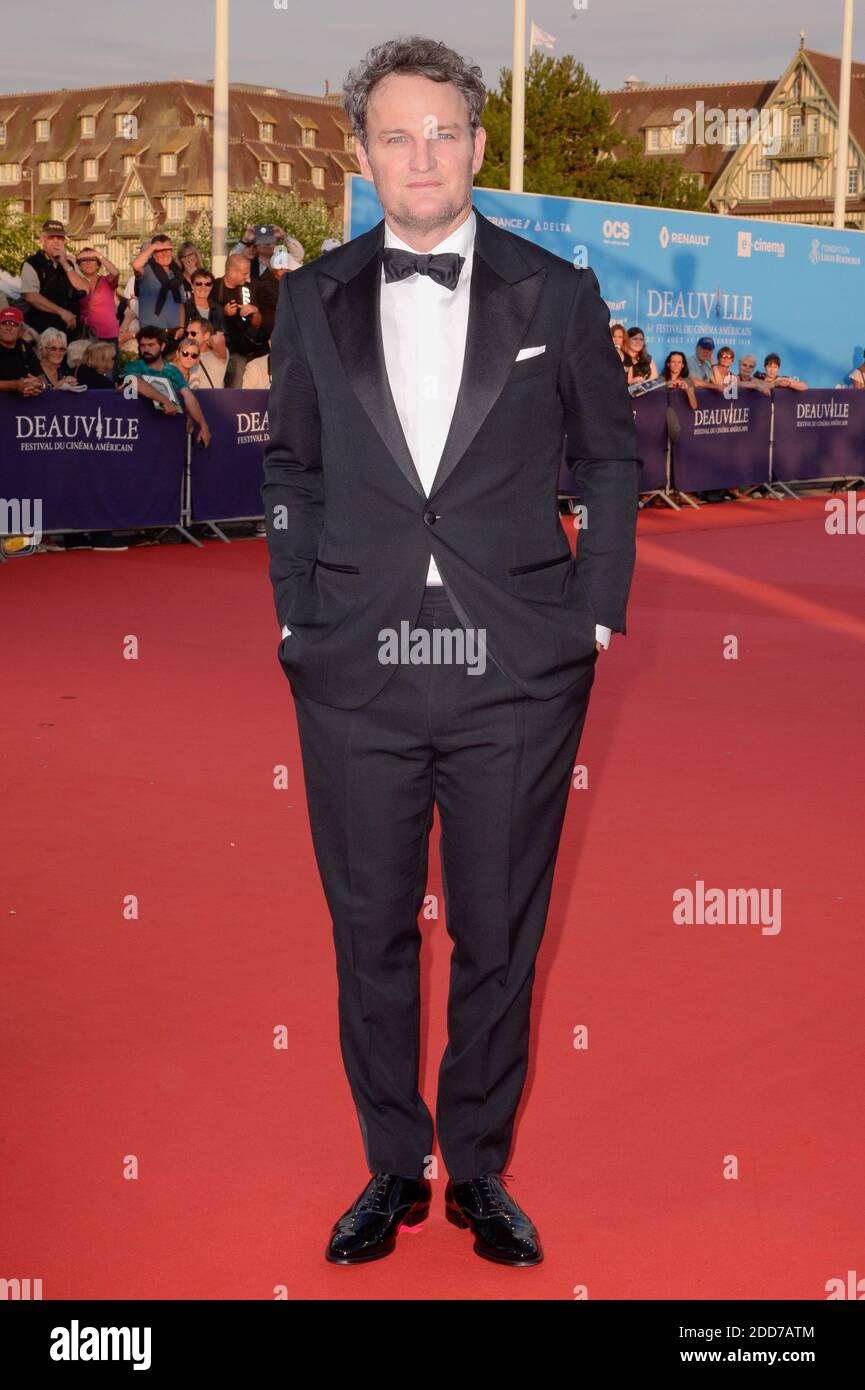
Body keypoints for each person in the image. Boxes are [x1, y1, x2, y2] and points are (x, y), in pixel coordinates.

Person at [262, 35, 640, 1268]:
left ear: (477, 146)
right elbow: (291, 474)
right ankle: (389, 1163)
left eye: (443, 132)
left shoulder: (558, 293)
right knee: (367, 930)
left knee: (499, 928)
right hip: (355, 673)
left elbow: (614, 462)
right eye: (394, 134)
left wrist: (588, 614)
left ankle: (475, 1166)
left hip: (515, 675)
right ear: (363, 154)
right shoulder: (310, 298)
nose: (420, 156)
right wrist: (293, 617)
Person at [119, 326, 211, 446]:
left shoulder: (173, 371)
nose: (146, 349)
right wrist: (165, 401)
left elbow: (189, 397)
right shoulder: (134, 367)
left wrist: (203, 425)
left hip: (168, 434)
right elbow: (135, 381)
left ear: (162, 346)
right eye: (143, 345)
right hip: (138, 434)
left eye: (151, 345)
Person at [19, 219, 89, 338]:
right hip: (42, 332)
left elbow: (85, 288)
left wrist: (65, 264)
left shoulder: (69, 264)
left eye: (60, 238)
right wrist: (61, 312)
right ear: (42, 240)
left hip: (70, 332)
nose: (56, 242)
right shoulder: (31, 263)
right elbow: (31, 296)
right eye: (52, 238)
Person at [211, 253, 264, 387]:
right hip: (218, 353)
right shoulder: (214, 287)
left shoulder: (249, 289)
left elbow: (257, 324)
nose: (247, 277)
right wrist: (223, 312)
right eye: (244, 273)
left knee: (238, 390)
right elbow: (205, 318)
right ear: (231, 272)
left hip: (242, 353)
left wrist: (255, 311)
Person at [131, 235, 186, 337]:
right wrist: (153, 247)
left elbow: (180, 303)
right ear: (154, 253)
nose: (165, 253)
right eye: (161, 250)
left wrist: (181, 327)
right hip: (151, 334)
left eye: (168, 249)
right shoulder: (147, 270)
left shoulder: (177, 273)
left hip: (174, 333)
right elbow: (136, 265)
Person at [75, 248, 120, 370]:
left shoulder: (107, 281)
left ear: (98, 265)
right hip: (86, 336)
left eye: (92, 260)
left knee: (108, 376)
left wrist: (98, 254)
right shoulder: (75, 282)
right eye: (84, 260)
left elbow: (115, 272)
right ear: (78, 265)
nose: (88, 262)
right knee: (87, 374)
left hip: (108, 335)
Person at [0, 305, 44, 394]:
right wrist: (14, 385)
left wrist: (38, 384)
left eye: (14, 324)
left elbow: (41, 377)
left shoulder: (24, 346)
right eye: (5, 323)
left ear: (21, 331)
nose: (9, 328)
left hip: (24, 404)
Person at [184, 316, 227, 389]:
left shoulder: (217, 356)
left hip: (212, 399)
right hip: (191, 399)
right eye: (186, 333)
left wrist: (211, 340)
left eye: (193, 333)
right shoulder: (184, 354)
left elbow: (219, 341)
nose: (189, 337)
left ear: (206, 335)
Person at [187, 267, 226, 338]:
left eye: (207, 284)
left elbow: (222, 335)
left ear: (211, 286)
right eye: (199, 283)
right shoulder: (184, 308)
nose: (203, 287)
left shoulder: (218, 309)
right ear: (192, 286)